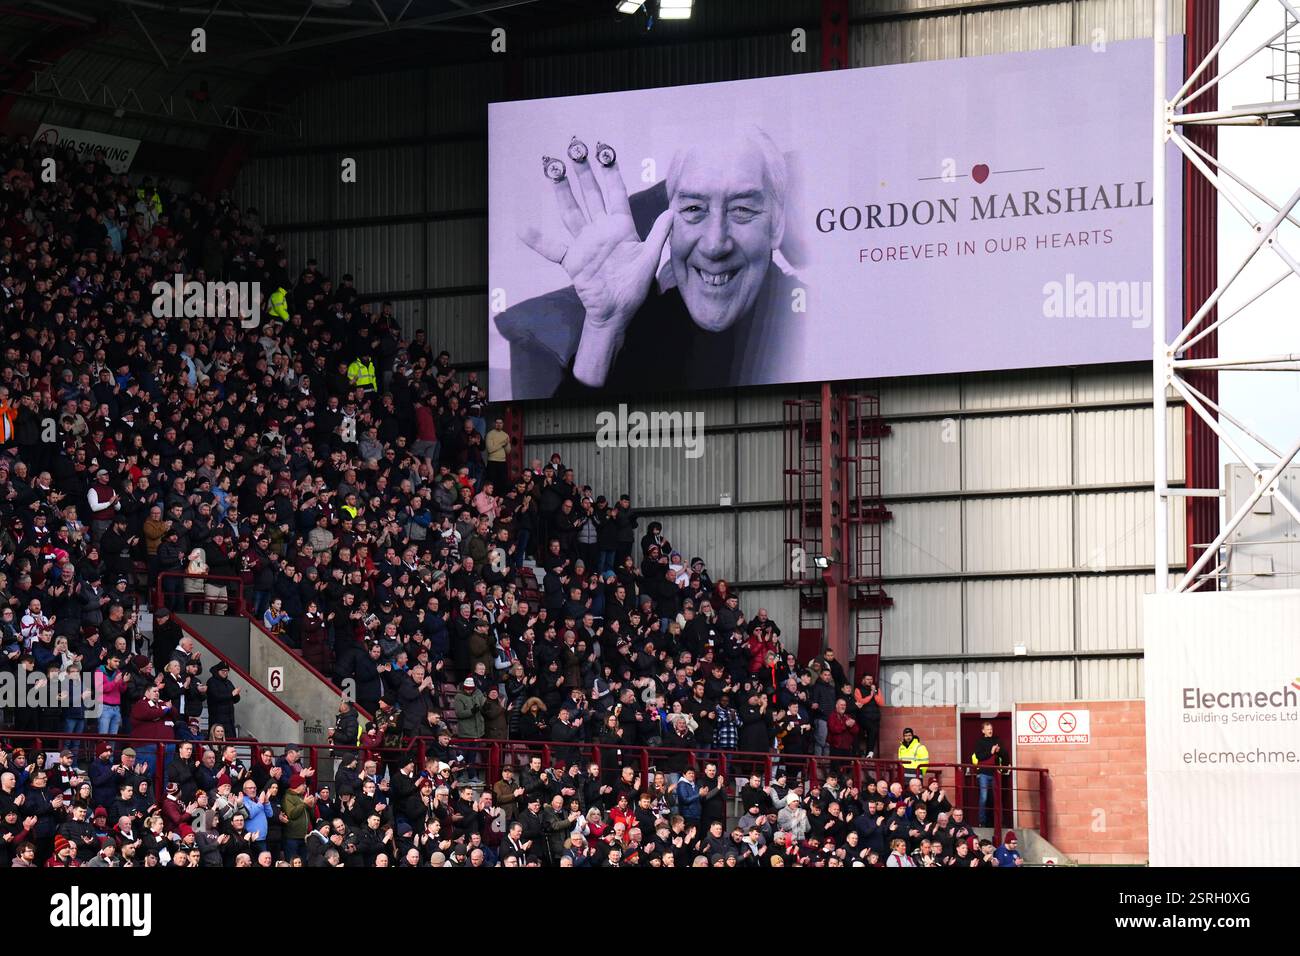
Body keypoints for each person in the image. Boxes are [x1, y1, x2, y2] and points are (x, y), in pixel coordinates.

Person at [500, 126, 805, 398]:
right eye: (694, 208)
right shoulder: (650, 325)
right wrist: (602, 328)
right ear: (669, 225)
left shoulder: (814, 323)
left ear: (776, 225)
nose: (715, 244)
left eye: (741, 209)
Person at [971, 720, 1007, 827]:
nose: (990, 731)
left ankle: (999, 822)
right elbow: (979, 756)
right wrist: (991, 752)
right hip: (983, 773)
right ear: (983, 731)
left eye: (991, 729)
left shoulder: (996, 740)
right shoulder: (980, 742)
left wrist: (999, 751)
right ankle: (982, 822)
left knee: (997, 799)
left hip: (995, 773)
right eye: (988, 729)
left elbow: (1004, 754)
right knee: (984, 798)